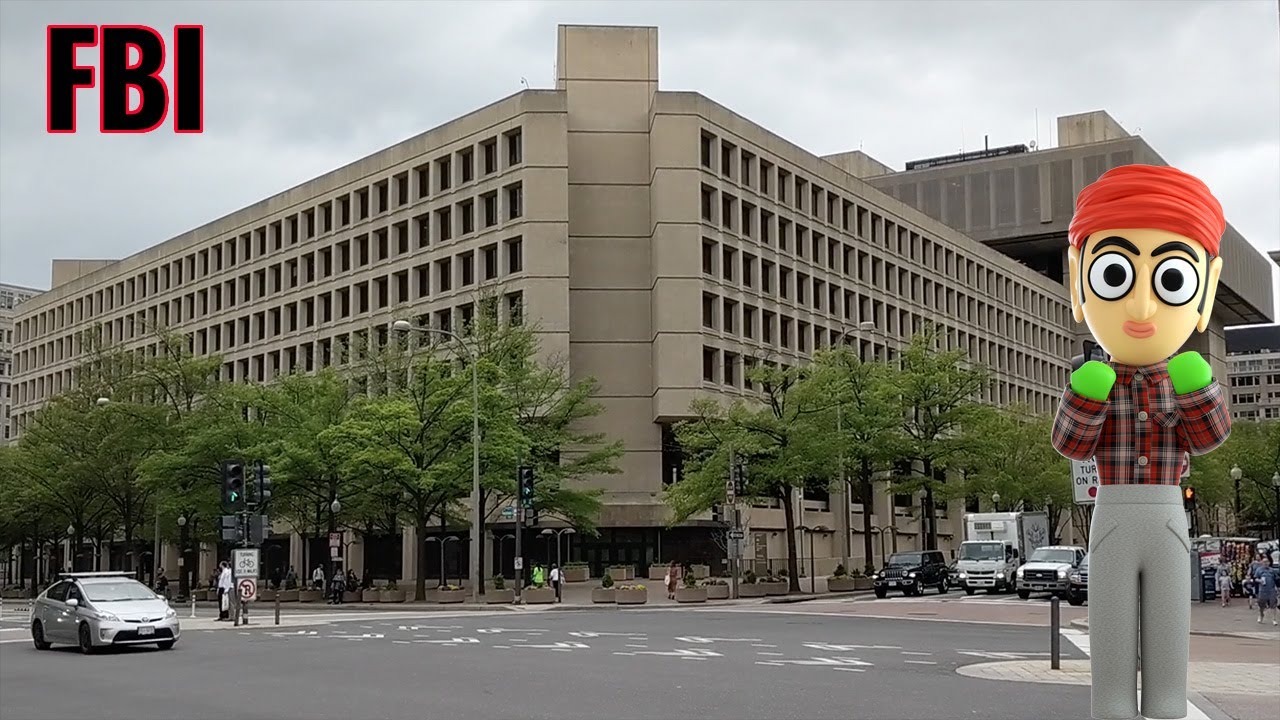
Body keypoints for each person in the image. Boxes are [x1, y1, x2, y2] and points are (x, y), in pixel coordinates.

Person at [1050, 165, 1232, 720]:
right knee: (1109, 625)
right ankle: (1110, 707)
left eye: (1171, 279)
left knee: (1169, 623)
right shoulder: (1096, 379)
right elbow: (1070, 445)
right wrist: (1085, 397)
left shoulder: (1184, 376)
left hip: (1167, 514)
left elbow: (1210, 440)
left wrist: (1199, 390)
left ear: (1206, 289)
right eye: (1115, 276)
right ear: (1082, 282)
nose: (1143, 308)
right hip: (1113, 513)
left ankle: (1167, 704)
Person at [1252, 555, 1278, 626]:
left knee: (1273, 605)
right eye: (1264, 562)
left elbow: (1276, 580)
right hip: (1262, 590)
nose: (1265, 563)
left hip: (1271, 590)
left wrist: (1277, 588)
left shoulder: (1272, 570)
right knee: (1261, 605)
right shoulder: (1259, 570)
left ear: (1269, 563)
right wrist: (1259, 580)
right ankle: (1261, 615)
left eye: (1267, 562)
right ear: (1262, 563)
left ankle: (1274, 619)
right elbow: (1255, 578)